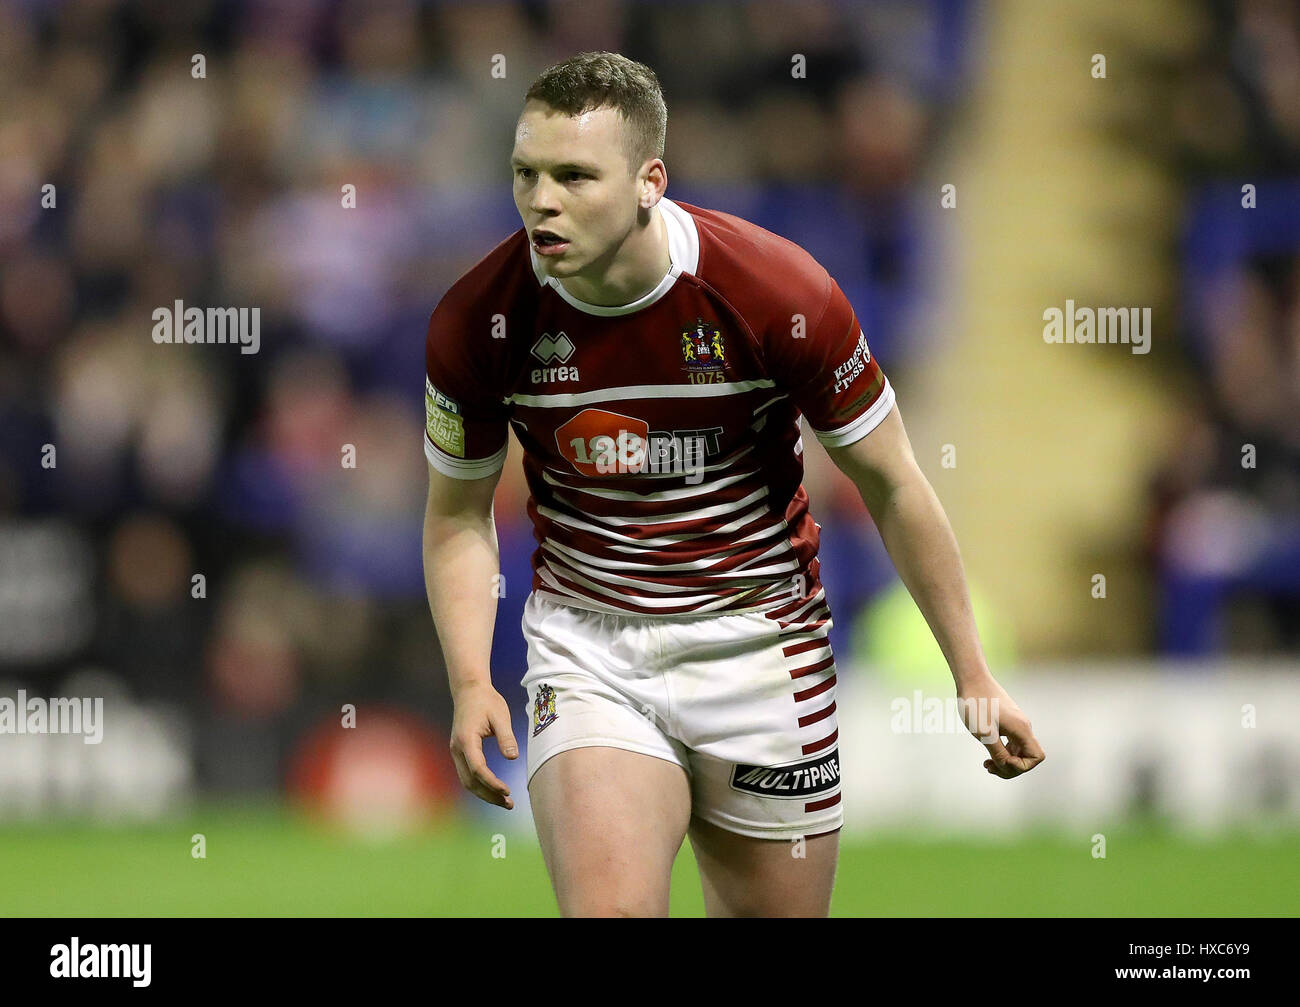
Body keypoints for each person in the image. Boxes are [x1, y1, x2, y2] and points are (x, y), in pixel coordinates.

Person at [421, 51, 1044, 918]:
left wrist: (971, 670)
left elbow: (895, 483)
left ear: (650, 181)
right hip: (592, 649)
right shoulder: (478, 318)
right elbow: (456, 513)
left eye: (573, 175)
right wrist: (468, 678)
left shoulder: (775, 291)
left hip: (761, 650)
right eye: (525, 173)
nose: (541, 199)